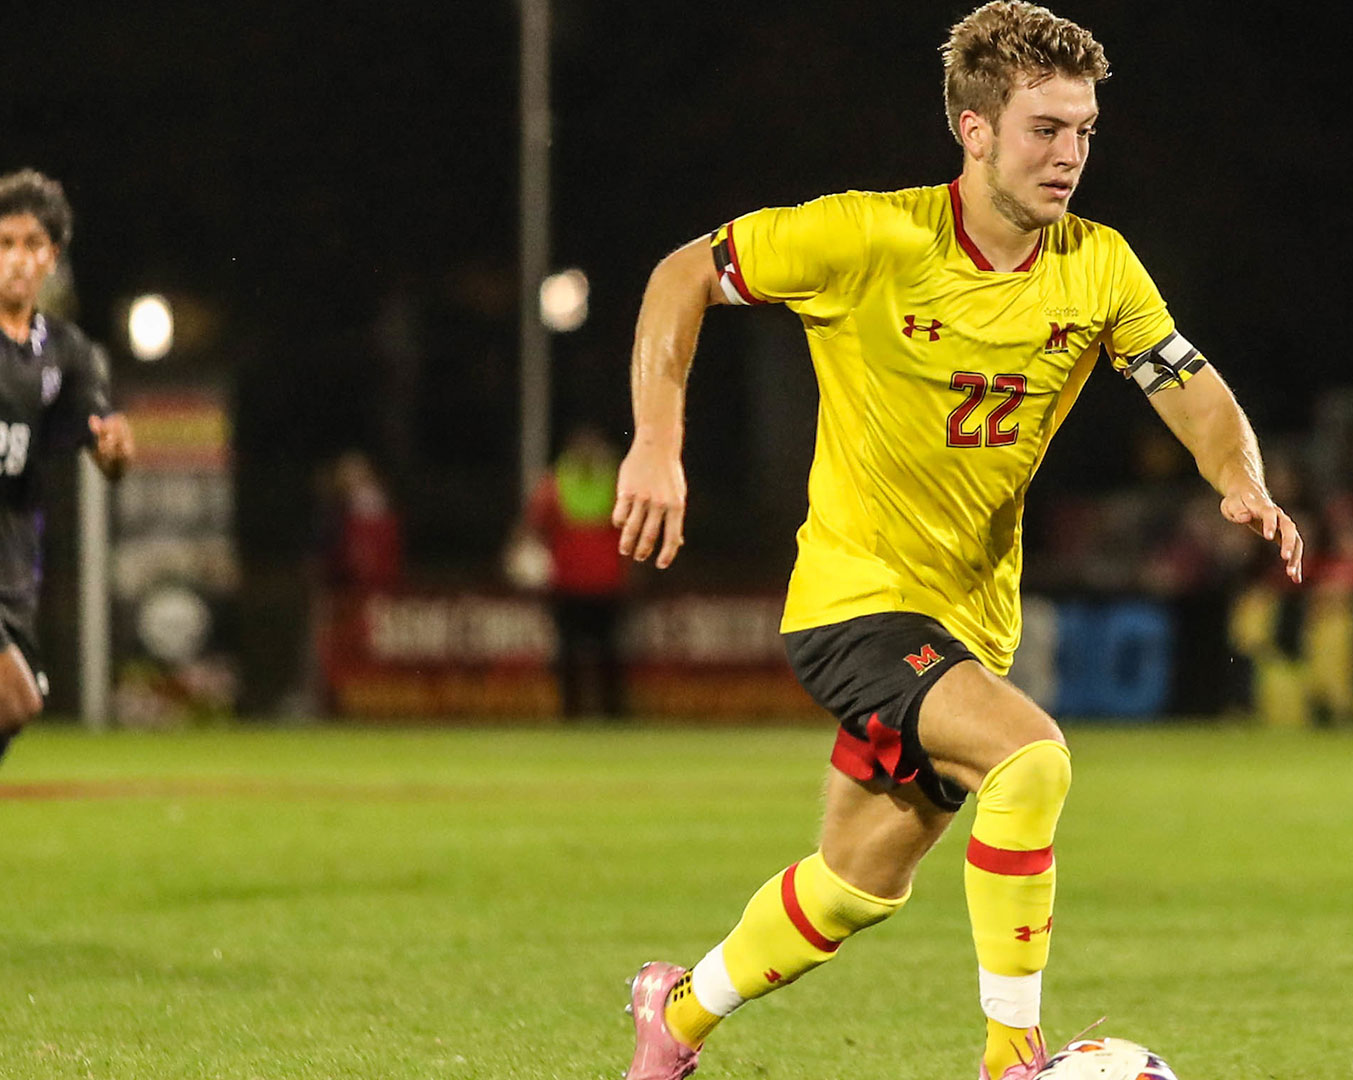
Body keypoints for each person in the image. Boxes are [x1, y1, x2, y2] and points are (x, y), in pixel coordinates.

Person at [610, 4, 1302, 1078]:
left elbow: (1187, 382)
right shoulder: (869, 237)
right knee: (1030, 761)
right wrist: (658, 442)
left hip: (969, 619)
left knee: (854, 885)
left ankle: (676, 1019)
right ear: (974, 130)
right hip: (856, 600)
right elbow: (680, 273)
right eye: (1044, 129)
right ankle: (1012, 1058)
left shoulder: (1099, 267)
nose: (1069, 154)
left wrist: (1240, 480)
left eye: (1082, 131)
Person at [0, 169, 134, 765]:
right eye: (4, 244)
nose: (17, 260)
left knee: (14, 710)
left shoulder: (67, 353)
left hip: (13, 564)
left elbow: (105, 446)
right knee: (16, 699)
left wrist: (114, 450)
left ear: (52, 256)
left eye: (31, 245)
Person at [514, 425, 629, 718]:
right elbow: (532, 527)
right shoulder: (556, 483)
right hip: (567, 583)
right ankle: (571, 712)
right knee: (567, 654)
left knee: (609, 654)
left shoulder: (619, 482)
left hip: (607, 583)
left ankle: (611, 712)